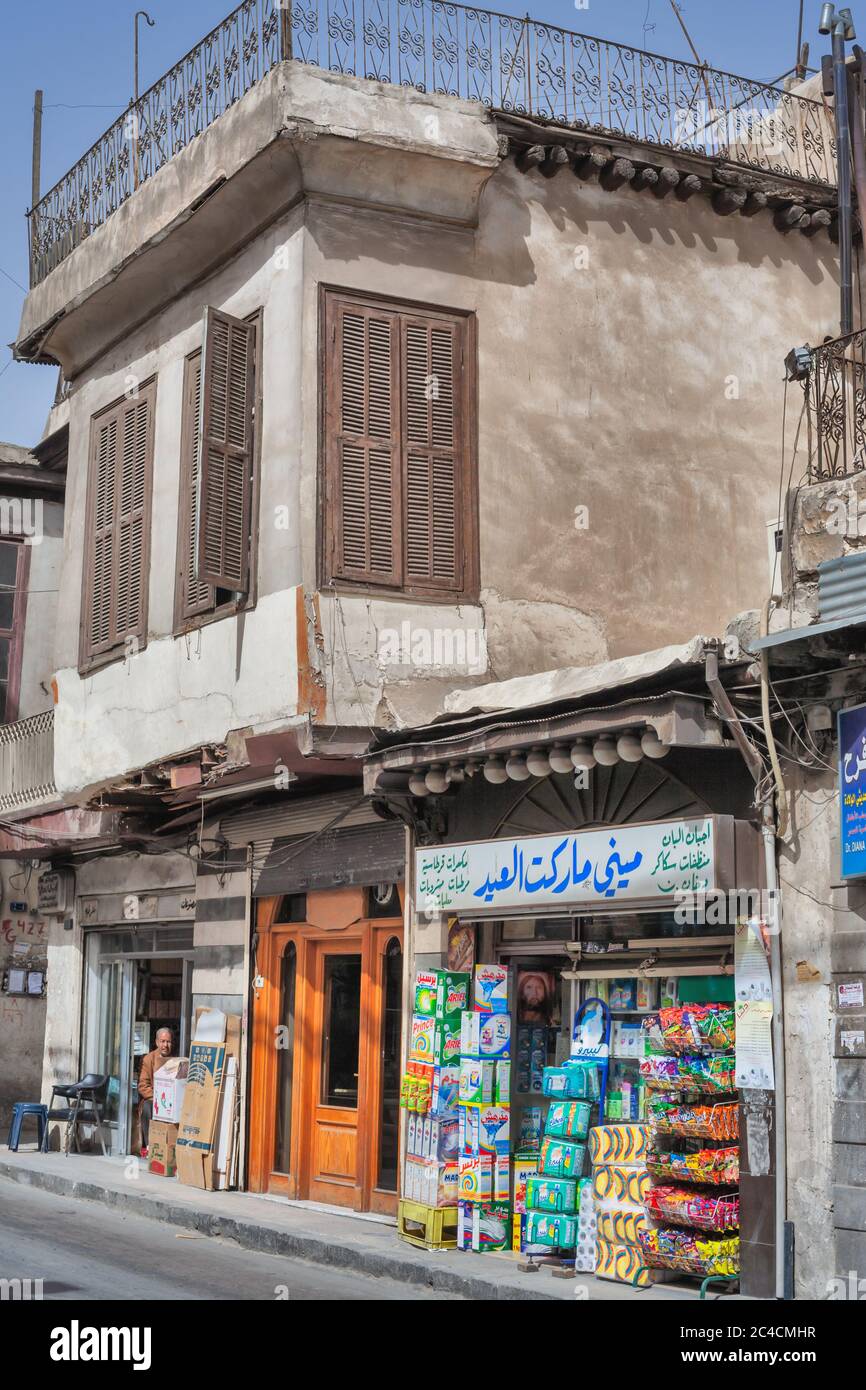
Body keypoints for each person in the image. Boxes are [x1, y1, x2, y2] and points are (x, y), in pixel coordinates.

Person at [137, 1027, 174, 1156]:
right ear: (157, 1042)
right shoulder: (149, 1059)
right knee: (148, 1107)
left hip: (171, 1100)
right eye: (163, 1041)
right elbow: (143, 1086)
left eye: (168, 1042)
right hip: (154, 1099)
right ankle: (150, 1147)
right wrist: (157, 1099)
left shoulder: (175, 1060)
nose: (165, 1045)